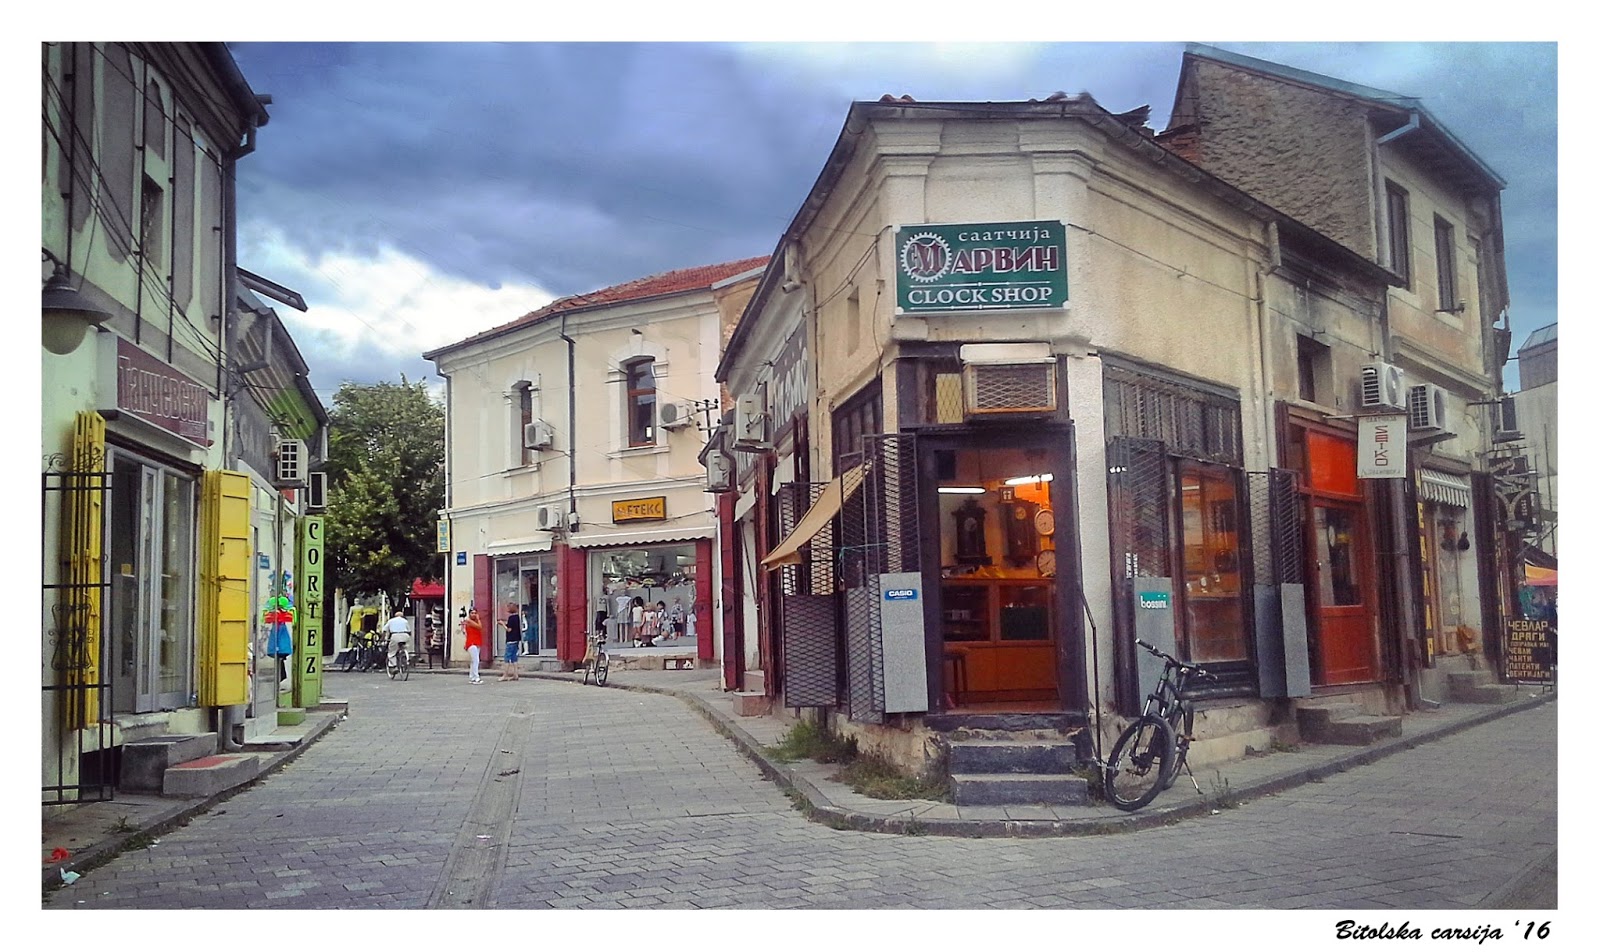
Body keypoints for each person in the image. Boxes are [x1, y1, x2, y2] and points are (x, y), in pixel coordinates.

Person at [498, 607, 523, 681]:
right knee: (514, 658)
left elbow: (509, 629)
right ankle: (516, 674)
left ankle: (505, 675)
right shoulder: (517, 617)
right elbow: (512, 626)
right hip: (516, 639)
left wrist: (502, 624)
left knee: (507, 658)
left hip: (511, 640)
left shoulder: (511, 618)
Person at [463, 608, 485, 684]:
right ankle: (476, 677)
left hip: (477, 642)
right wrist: (478, 619)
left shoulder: (474, 621)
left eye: (475, 613)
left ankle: (472, 676)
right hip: (471, 643)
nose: (474, 614)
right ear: (469, 614)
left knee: (473, 661)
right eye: (472, 613)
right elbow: (479, 627)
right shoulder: (469, 621)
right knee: (476, 660)